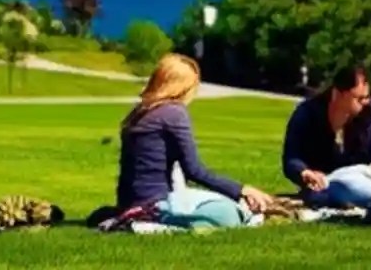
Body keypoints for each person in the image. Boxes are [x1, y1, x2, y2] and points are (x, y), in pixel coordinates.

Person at [115, 54, 273, 230]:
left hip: (129, 202)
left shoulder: (139, 113)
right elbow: (194, 170)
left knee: (218, 205)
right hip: (154, 204)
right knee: (229, 213)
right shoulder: (174, 113)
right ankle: (148, 225)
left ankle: (139, 221)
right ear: (183, 87)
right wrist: (242, 190)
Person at [281, 65, 371, 208]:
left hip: (360, 180)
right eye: (359, 98)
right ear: (338, 93)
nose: (365, 102)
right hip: (321, 183)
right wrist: (304, 172)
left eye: (367, 97)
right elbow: (291, 156)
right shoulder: (307, 113)